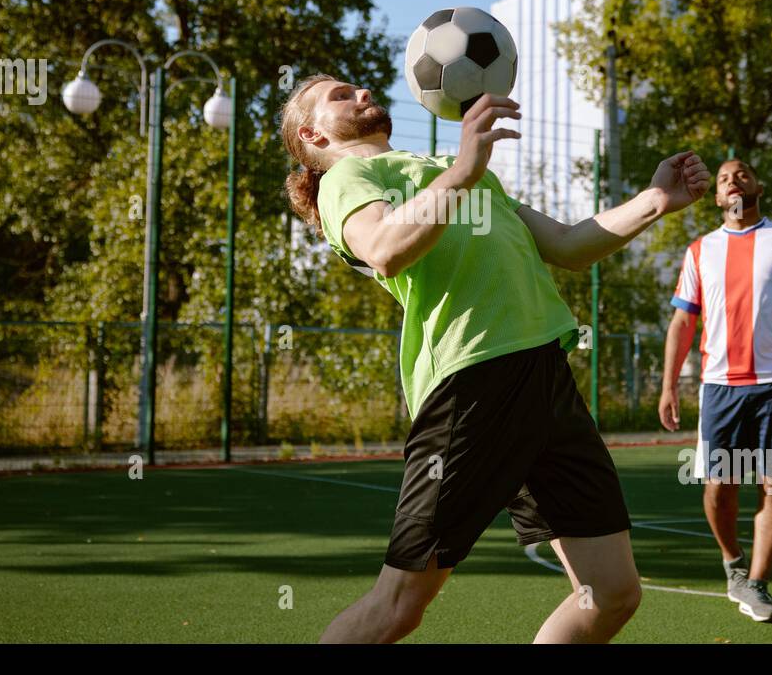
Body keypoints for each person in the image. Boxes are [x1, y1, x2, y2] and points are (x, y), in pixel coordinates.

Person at [279, 73, 709, 643]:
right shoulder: (350, 177)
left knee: (610, 592)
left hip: (546, 379)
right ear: (312, 134)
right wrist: (462, 170)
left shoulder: (447, 168)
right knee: (401, 603)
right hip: (471, 384)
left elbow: (569, 245)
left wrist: (656, 199)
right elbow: (383, 250)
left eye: (358, 88)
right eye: (339, 96)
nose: (359, 94)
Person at [658, 158, 772, 622]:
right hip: (719, 389)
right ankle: (733, 563)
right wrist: (669, 384)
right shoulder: (700, 251)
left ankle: (757, 584)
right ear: (716, 197)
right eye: (723, 177)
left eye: (742, 173)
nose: (733, 179)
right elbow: (682, 321)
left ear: (758, 185)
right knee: (718, 487)